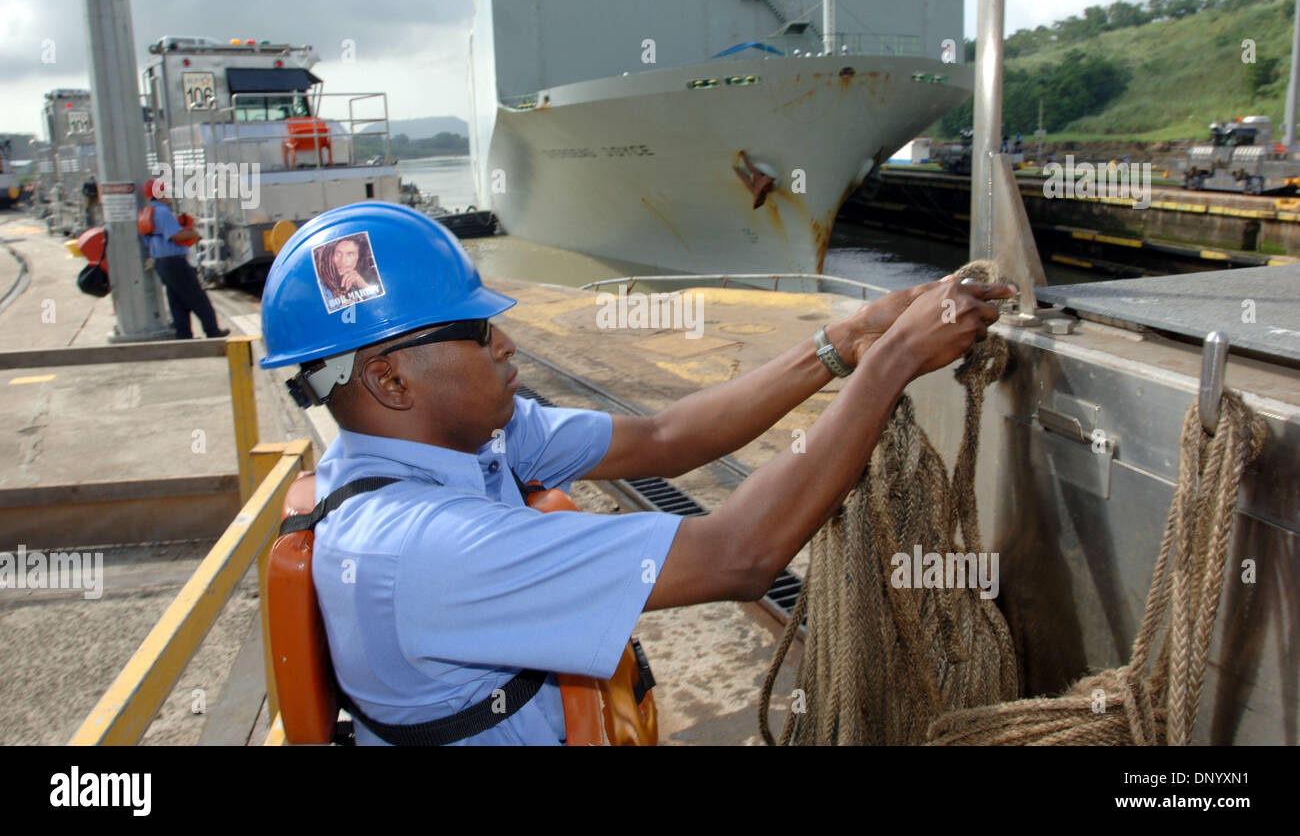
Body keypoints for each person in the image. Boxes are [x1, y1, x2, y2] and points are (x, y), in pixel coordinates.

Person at [258, 203, 1012, 745]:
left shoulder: (463, 444)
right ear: (391, 380)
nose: (508, 342)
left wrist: (840, 344)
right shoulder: (422, 547)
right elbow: (737, 556)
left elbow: (665, 436)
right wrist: (894, 362)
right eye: (479, 330)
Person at [140, 178, 228, 339]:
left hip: (161, 262)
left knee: (177, 300)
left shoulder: (149, 211)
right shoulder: (163, 212)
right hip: (175, 262)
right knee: (198, 297)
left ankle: (184, 334)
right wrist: (194, 234)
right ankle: (212, 331)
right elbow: (176, 236)